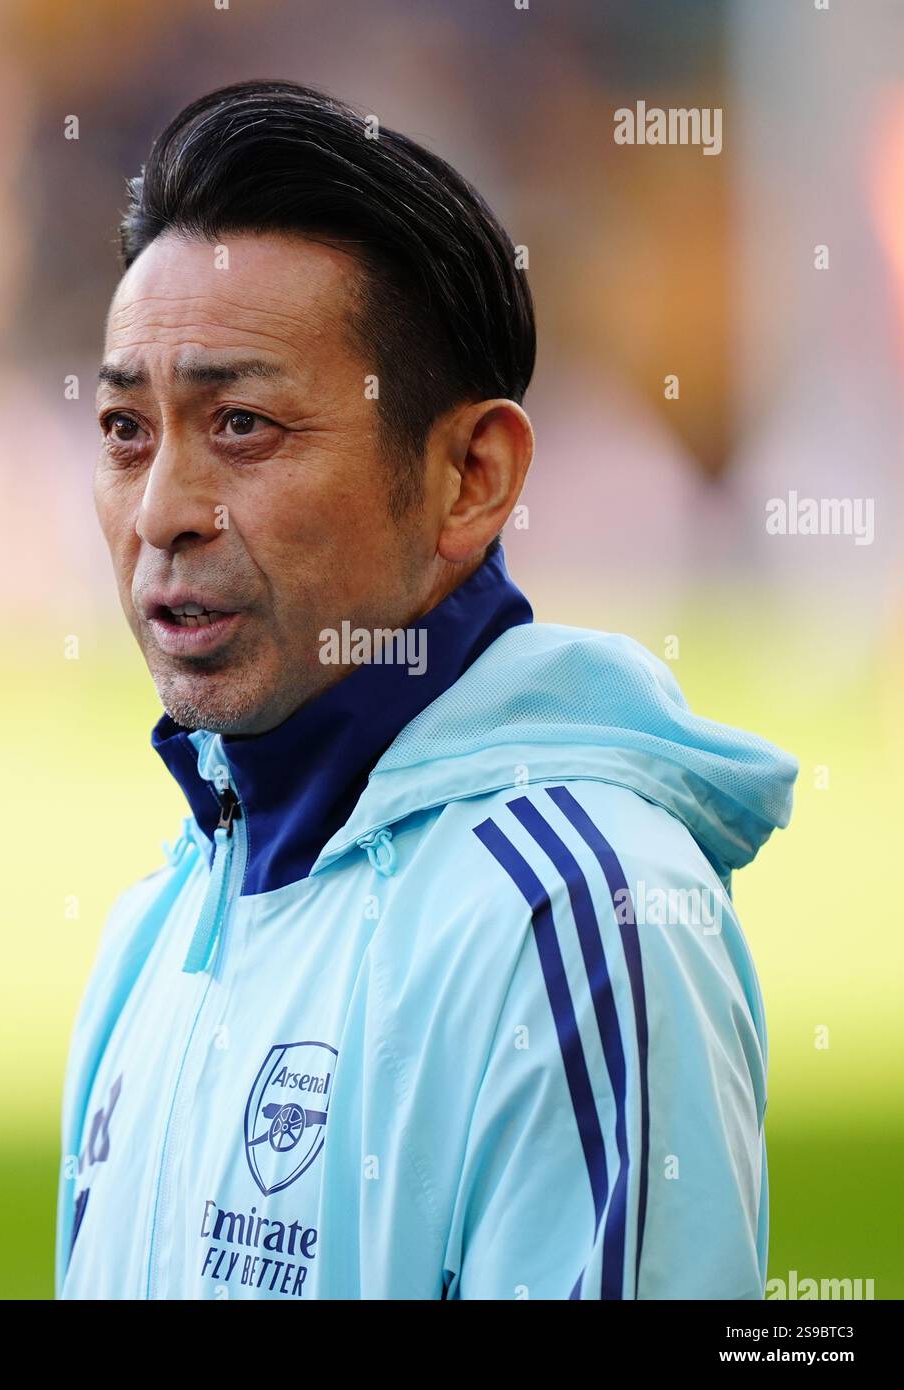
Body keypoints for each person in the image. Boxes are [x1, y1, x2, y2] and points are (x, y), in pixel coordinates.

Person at [56, 79, 797, 1300]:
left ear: (471, 476)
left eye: (241, 423)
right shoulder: (161, 924)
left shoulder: (577, 920)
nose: (161, 513)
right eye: (127, 430)